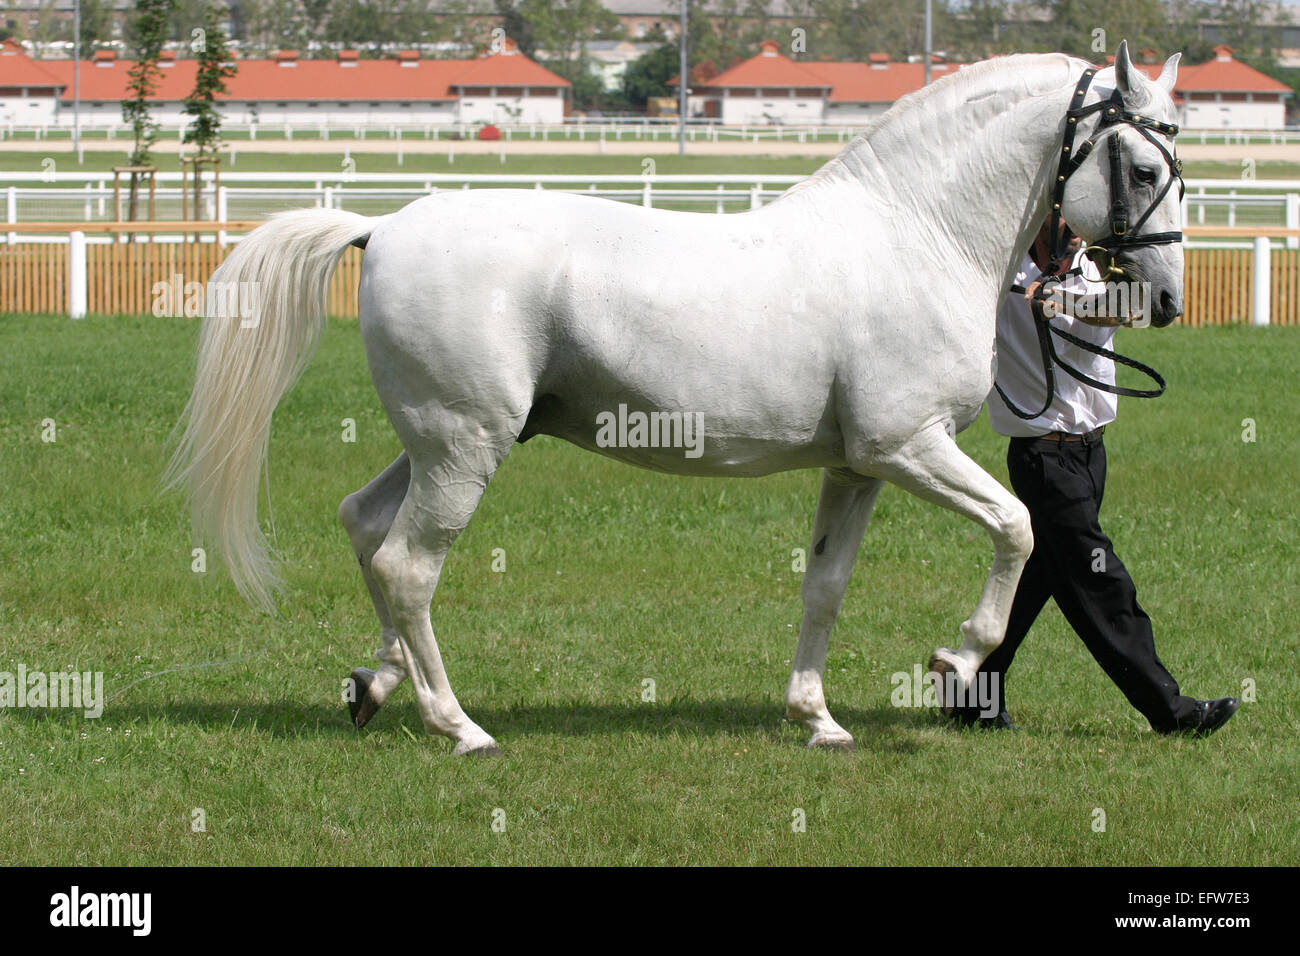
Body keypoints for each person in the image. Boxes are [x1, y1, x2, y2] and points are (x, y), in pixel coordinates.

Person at [951, 221, 1239, 737]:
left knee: (1038, 578)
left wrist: (1067, 303)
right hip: (1042, 456)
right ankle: (1172, 713)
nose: (1074, 229)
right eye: (1062, 220)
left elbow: (1142, 307)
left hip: (1090, 453)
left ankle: (969, 695)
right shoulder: (1000, 268)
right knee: (1099, 582)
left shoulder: (1096, 263)